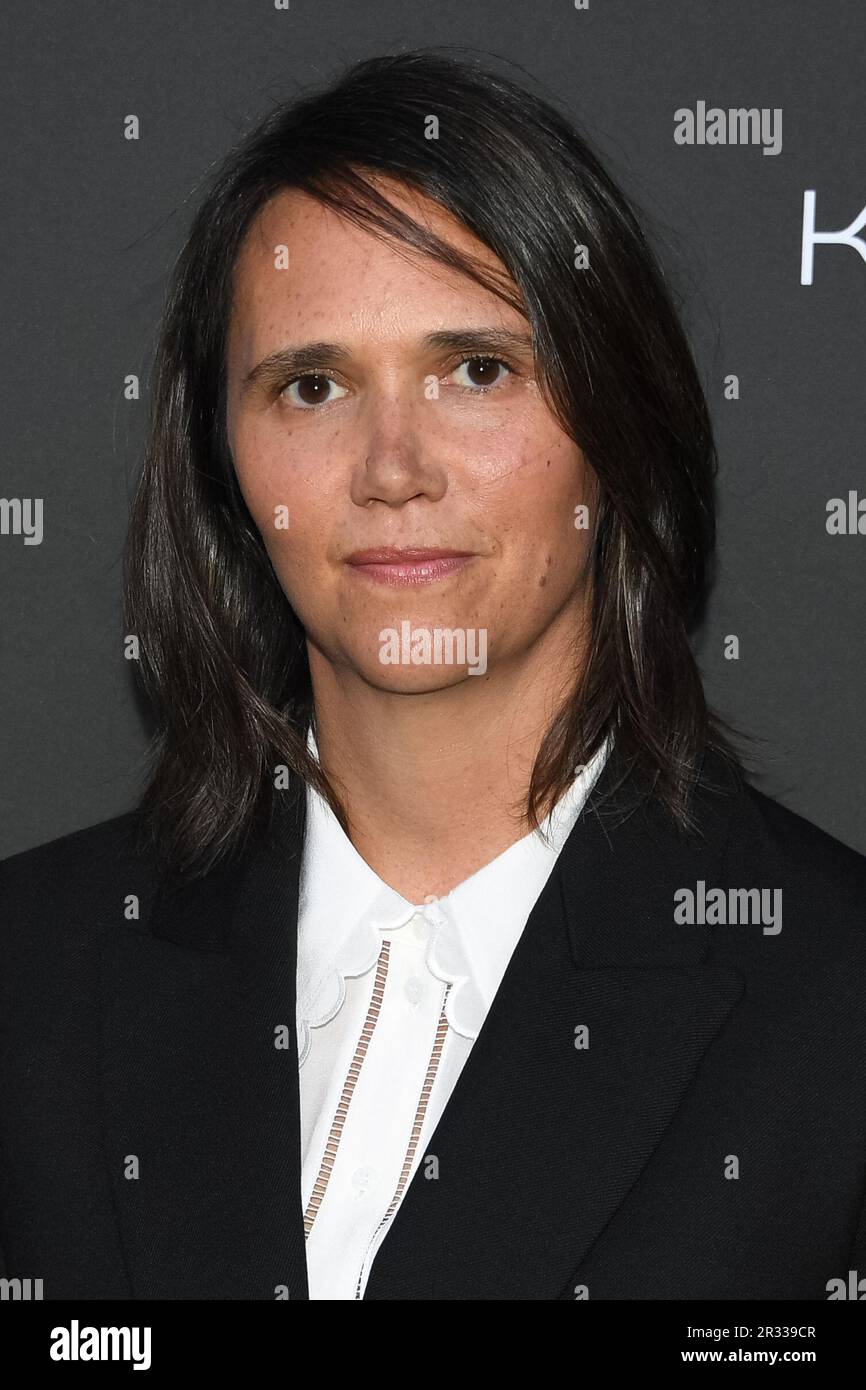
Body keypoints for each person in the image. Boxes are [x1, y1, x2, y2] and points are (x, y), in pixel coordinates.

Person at [1, 50, 865, 1302]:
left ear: (617, 429)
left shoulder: (832, 1004)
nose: (390, 466)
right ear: (228, 472)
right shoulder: (31, 975)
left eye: (475, 370)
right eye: (311, 385)